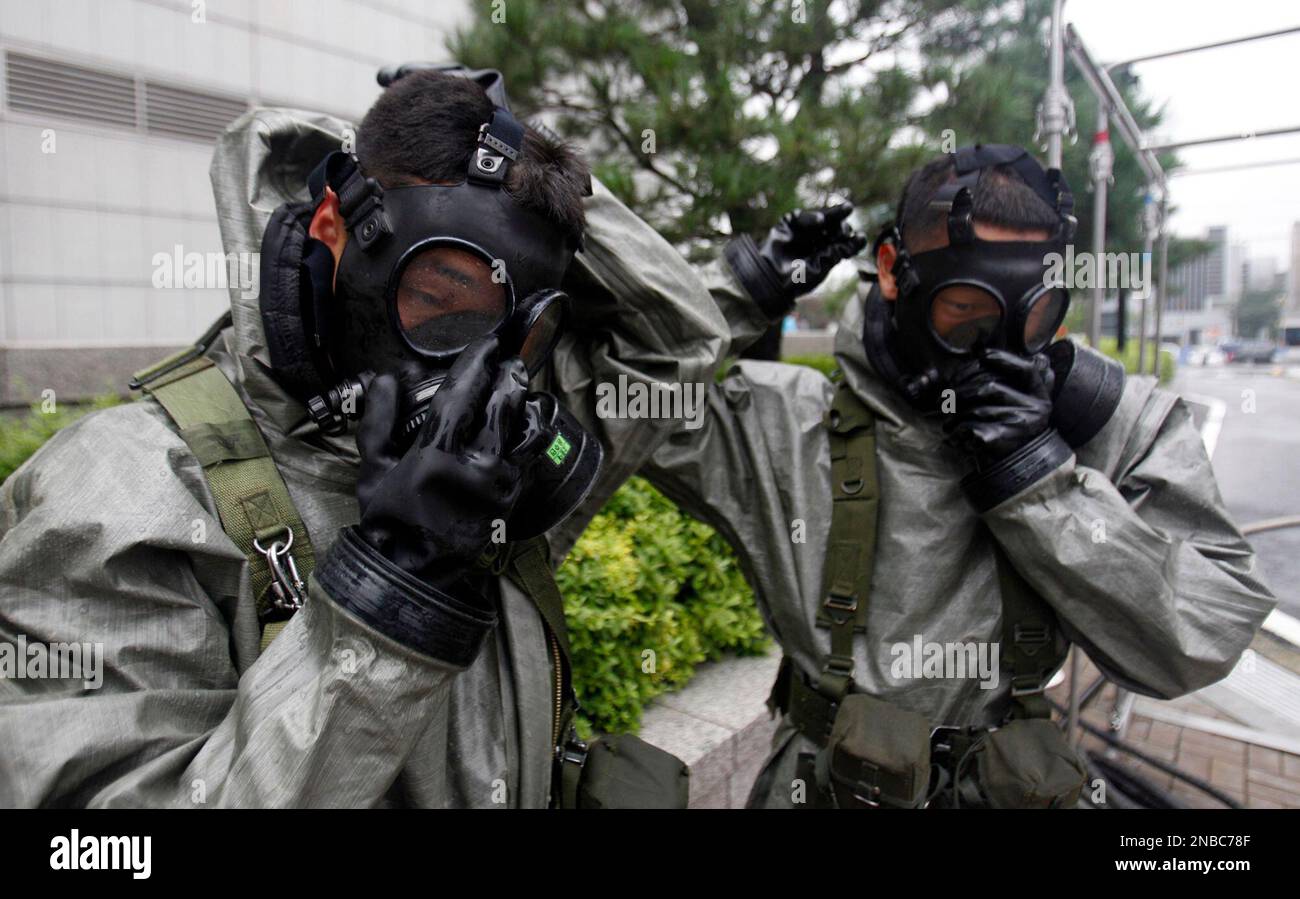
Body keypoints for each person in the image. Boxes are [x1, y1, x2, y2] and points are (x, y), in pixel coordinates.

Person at [0, 67, 729, 808]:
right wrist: (392, 592)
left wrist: (529, 168)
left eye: (512, 332)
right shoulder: (121, 496)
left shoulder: (491, 462)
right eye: (439, 300)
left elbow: (678, 343)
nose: (475, 370)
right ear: (330, 225)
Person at [647, 144, 1277, 808]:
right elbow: (618, 399)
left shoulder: (1105, 426)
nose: (995, 343)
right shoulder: (782, 424)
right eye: (966, 310)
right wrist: (743, 286)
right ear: (892, 271)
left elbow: (1207, 634)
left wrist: (1039, 482)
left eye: (1031, 313)